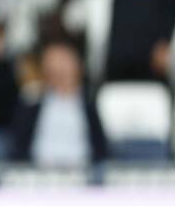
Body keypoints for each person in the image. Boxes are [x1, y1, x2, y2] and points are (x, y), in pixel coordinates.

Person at [10, 36, 108, 166]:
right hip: (37, 178)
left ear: (78, 63)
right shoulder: (31, 102)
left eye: (63, 60)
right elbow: (16, 147)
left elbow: (103, 150)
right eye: (52, 61)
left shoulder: (93, 102)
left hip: (84, 178)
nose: (59, 68)